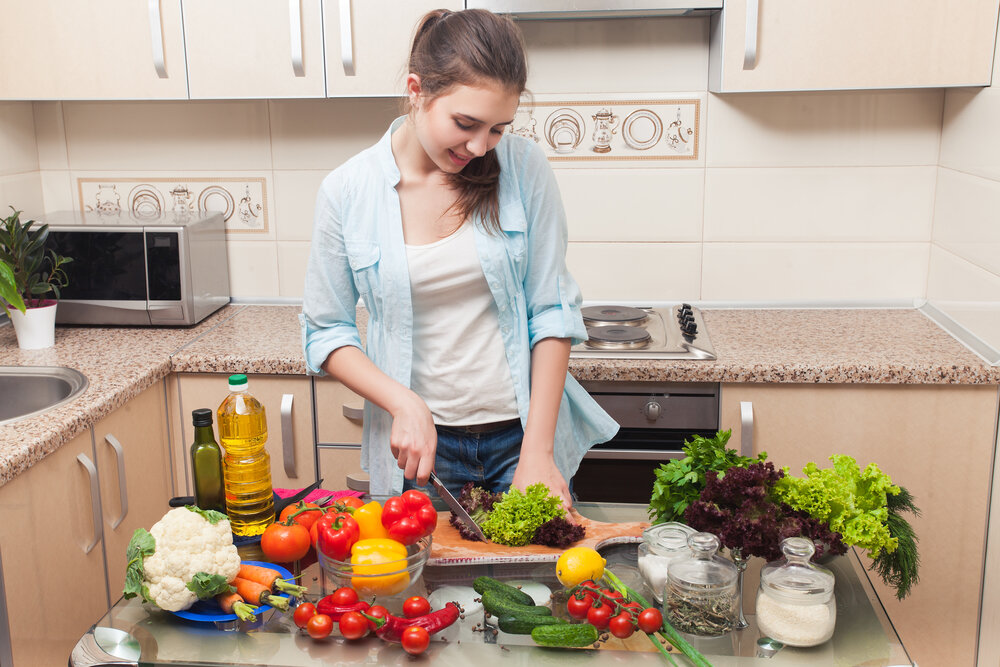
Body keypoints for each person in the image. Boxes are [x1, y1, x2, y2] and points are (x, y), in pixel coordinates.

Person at [300, 8, 618, 510]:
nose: (479, 146)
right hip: (422, 450)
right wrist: (402, 403)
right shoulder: (347, 191)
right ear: (416, 90)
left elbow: (552, 311)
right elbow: (326, 332)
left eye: (497, 128)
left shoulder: (523, 168)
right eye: (466, 123)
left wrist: (537, 452)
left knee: (541, 586)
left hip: (522, 436)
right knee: (430, 587)